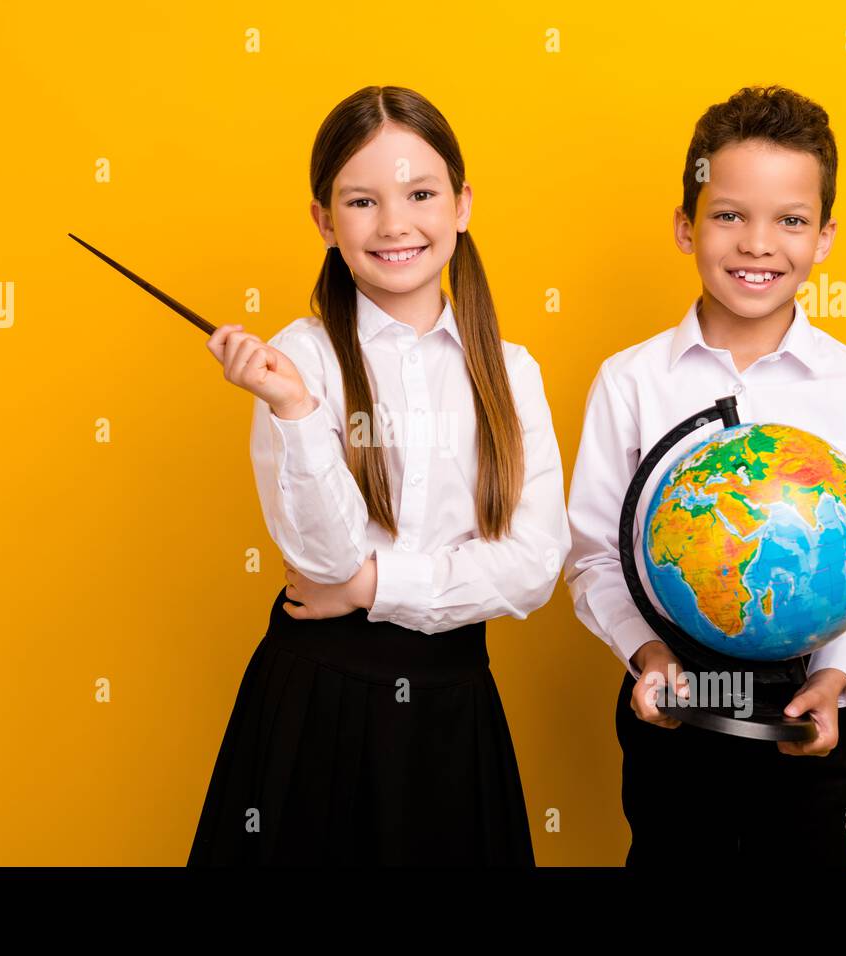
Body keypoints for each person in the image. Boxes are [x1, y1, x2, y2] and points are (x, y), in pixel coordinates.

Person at [188, 85, 571, 866]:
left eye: (421, 194)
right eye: (362, 201)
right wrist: (293, 407)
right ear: (325, 222)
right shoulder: (299, 361)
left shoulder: (511, 371)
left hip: (455, 707)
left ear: (462, 205)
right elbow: (323, 561)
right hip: (316, 706)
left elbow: (532, 569)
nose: (395, 225)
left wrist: (369, 588)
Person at [564, 85, 846, 866]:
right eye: (728, 215)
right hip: (675, 700)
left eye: (790, 220)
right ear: (685, 226)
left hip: (809, 703)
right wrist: (648, 658)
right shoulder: (631, 382)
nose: (758, 243)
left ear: (824, 237)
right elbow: (594, 554)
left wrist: (837, 682)